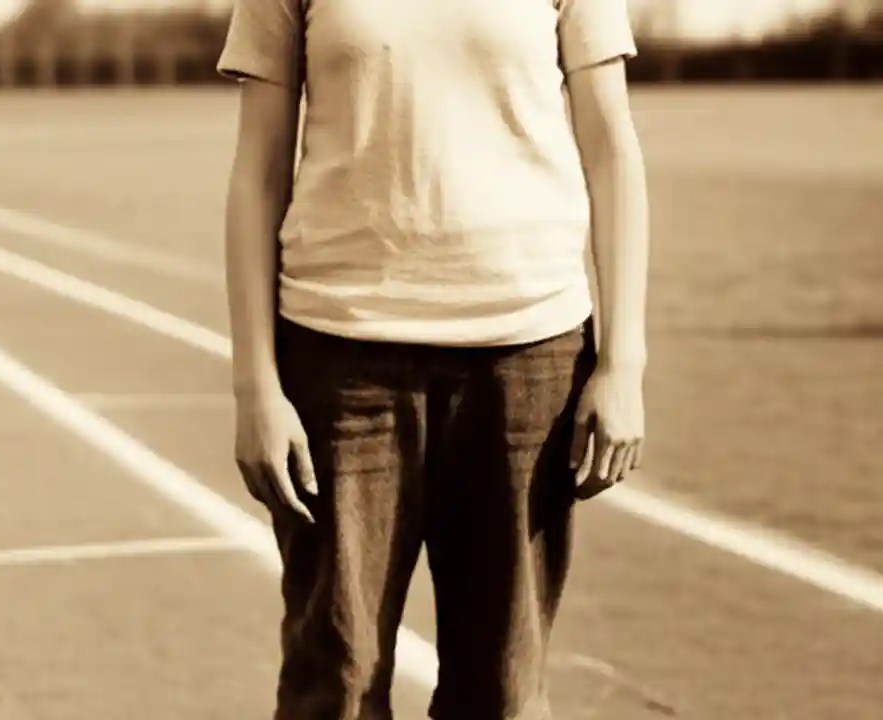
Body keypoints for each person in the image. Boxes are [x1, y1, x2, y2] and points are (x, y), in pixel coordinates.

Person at [217, 0, 650, 717]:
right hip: (341, 365)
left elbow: (612, 150)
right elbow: (256, 171)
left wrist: (623, 363)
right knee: (336, 688)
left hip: (527, 364)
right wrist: (255, 387)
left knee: (502, 695)